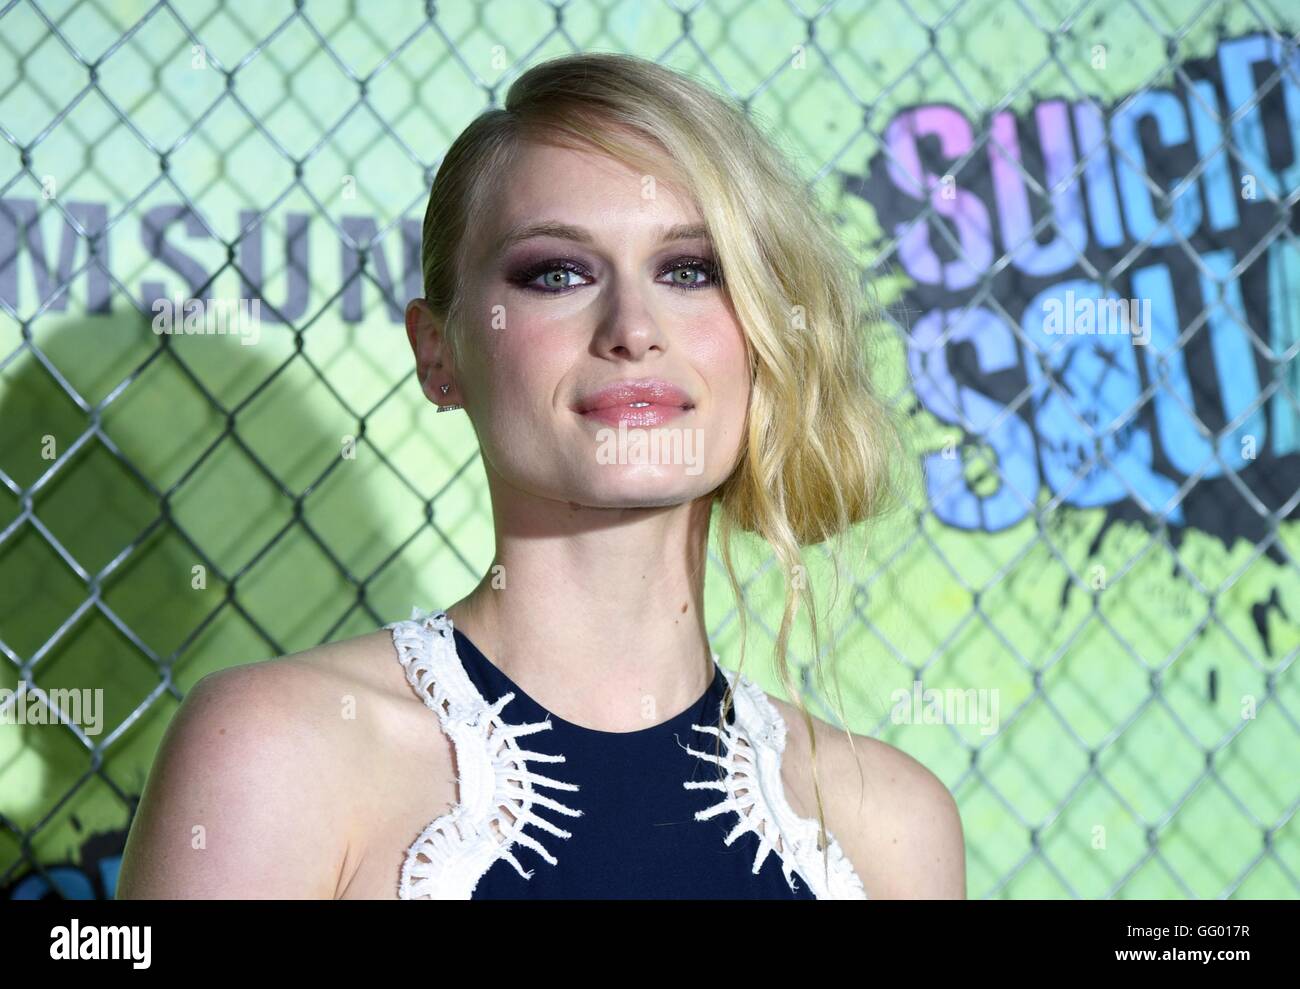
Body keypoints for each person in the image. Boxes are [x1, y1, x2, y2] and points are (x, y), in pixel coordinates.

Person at [116, 51, 965, 900]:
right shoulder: (273, 753)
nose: (634, 328)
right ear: (438, 352)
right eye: (557, 273)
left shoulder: (890, 825)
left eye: (691, 270)